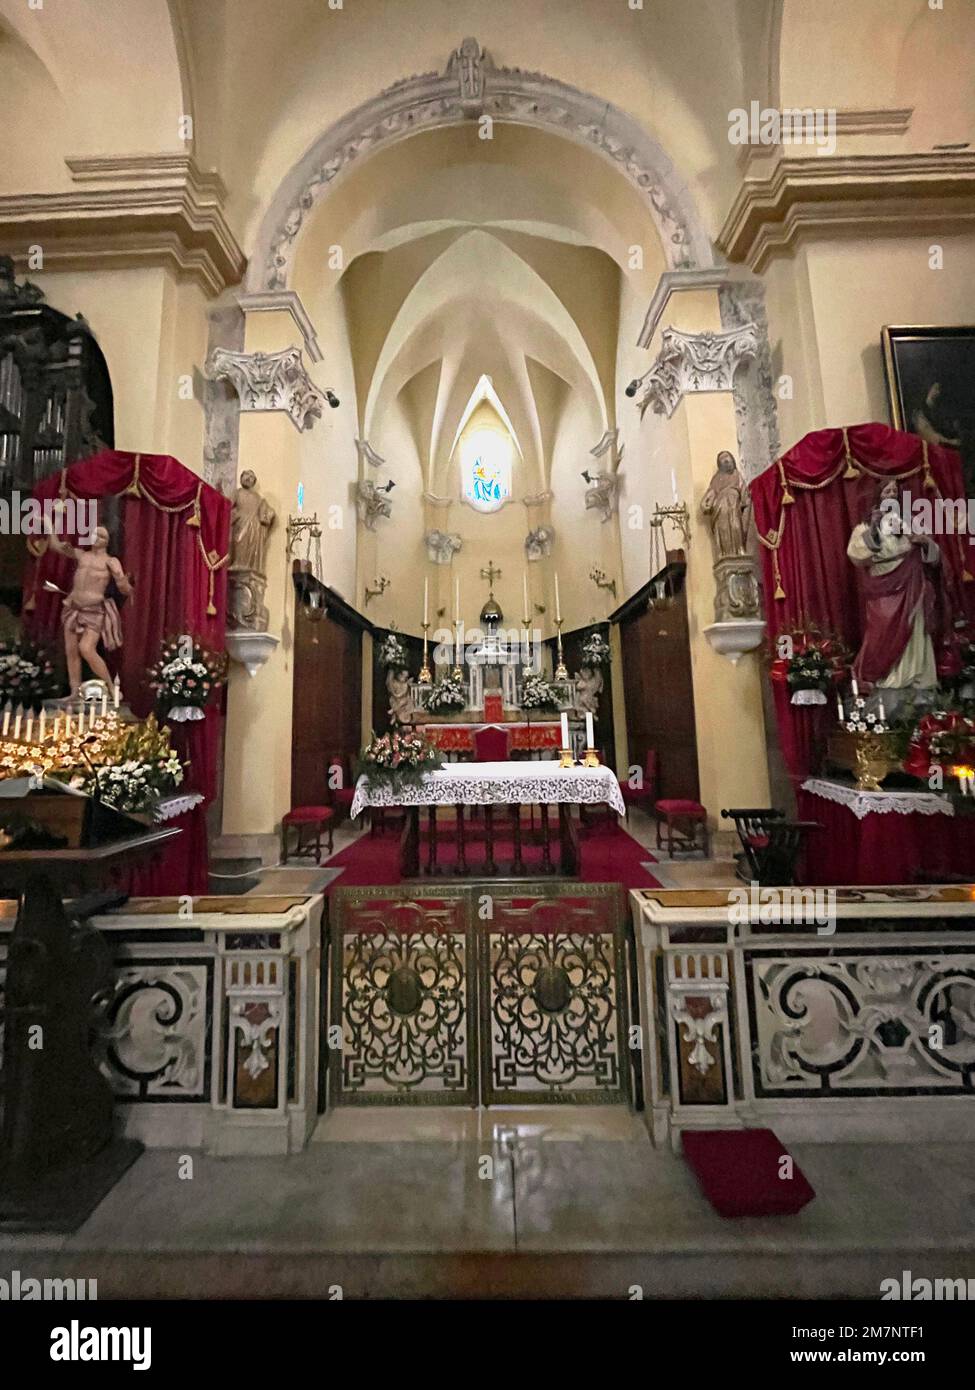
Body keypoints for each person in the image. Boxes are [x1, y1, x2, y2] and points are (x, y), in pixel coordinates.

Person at [847, 481, 940, 690]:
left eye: (894, 492)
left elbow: (933, 557)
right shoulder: (864, 526)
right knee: (882, 633)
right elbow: (857, 555)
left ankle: (916, 678)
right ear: (878, 496)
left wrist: (925, 542)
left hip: (912, 585)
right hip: (882, 588)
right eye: (887, 491)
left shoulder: (910, 523)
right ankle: (885, 679)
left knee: (913, 629)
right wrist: (873, 527)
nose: (891, 494)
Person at [43, 518, 132, 695]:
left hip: (94, 610)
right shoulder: (82, 555)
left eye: (100, 535)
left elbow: (126, 590)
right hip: (72, 607)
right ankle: (74, 692)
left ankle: (111, 687)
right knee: (71, 650)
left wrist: (121, 578)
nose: (95, 537)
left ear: (107, 540)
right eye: (93, 533)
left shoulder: (111, 561)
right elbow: (55, 546)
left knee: (86, 648)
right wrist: (48, 524)